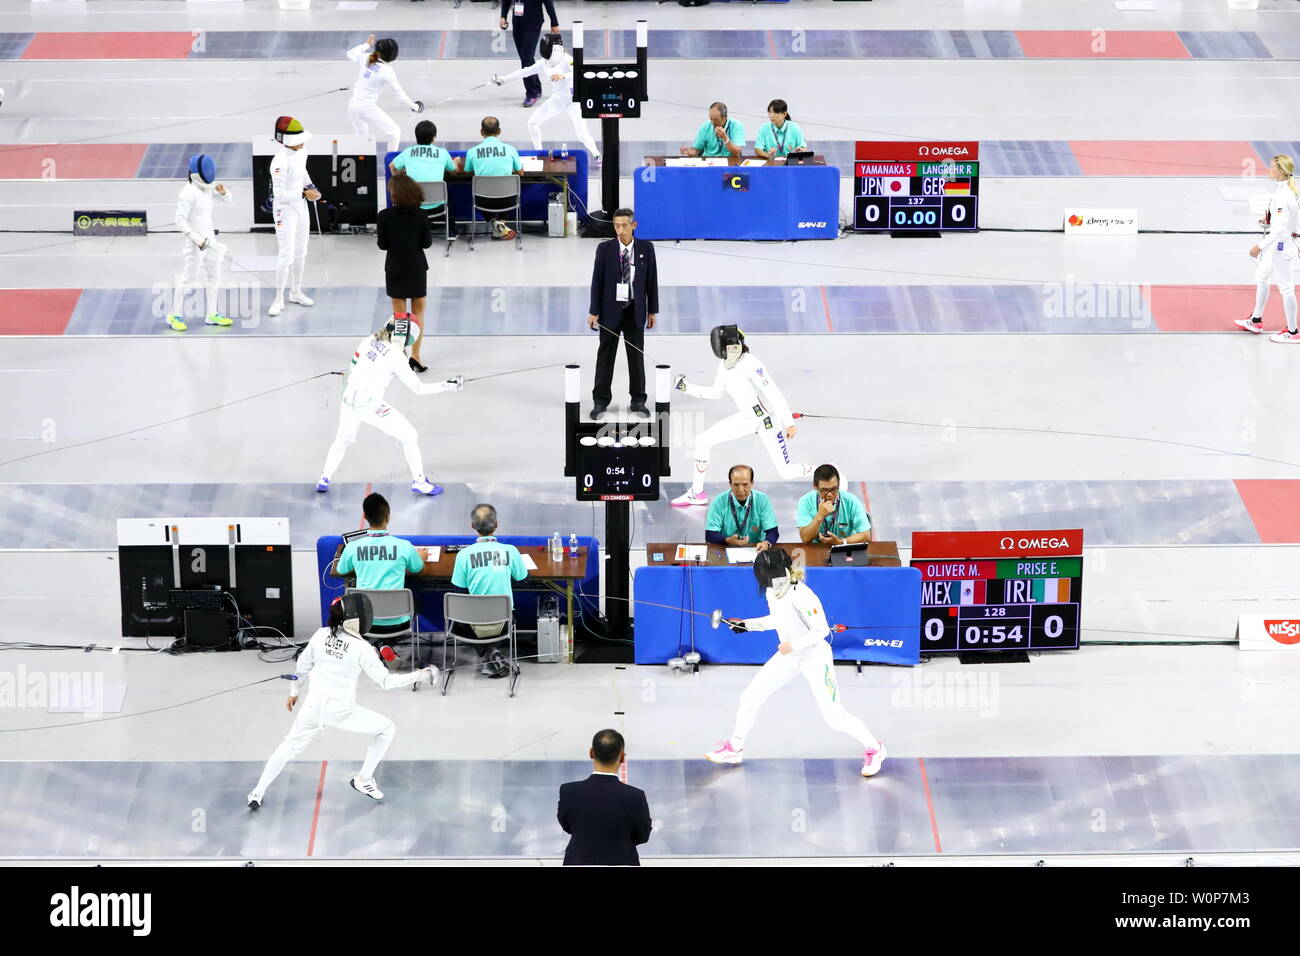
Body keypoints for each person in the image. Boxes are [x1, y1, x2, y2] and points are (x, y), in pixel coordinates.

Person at [706, 549, 886, 777]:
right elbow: (778, 619)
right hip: (789, 656)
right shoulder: (773, 591)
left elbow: (820, 630)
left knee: (834, 717)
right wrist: (747, 625)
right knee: (750, 698)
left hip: (814, 656)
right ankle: (735, 748)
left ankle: (875, 749)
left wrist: (792, 645)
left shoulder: (803, 595)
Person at [247, 593, 435, 809]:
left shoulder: (320, 635)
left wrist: (294, 692)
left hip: (312, 708)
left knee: (286, 748)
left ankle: (257, 793)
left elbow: (302, 666)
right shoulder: (362, 648)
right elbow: (386, 681)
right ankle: (363, 780)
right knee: (387, 729)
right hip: (340, 711)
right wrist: (421, 675)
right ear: (356, 619)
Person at [315, 315, 464, 496]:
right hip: (370, 405)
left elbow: (353, 365)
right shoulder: (397, 356)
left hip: (347, 398)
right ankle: (419, 482)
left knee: (343, 439)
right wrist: (446, 385)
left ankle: (324, 478)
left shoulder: (370, 339)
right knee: (410, 436)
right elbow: (418, 388)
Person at [671, 325, 811, 506]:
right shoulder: (725, 365)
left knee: (786, 471)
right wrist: (686, 387)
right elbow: (715, 393)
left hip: (766, 422)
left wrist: (788, 423)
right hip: (745, 419)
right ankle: (697, 493)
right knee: (702, 441)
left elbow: (773, 392)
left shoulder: (752, 364)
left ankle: (830, 473)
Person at [587, 208, 658, 420]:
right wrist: (594, 311)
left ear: (634, 225)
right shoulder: (605, 249)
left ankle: (638, 400)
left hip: (634, 311)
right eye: (617, 226)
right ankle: (600, 401)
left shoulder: (646, 248)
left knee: (636, 357)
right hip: (610, 311)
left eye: (624, 225)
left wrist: (652, 309)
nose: (620, 230)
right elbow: (596, 281)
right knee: (605, 356)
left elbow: (651, 281)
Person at [335, 492, 429, 652]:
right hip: (398, 620)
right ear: (388, 516)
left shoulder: (352, 548)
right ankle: (384, 645)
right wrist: (422, 557)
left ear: (364, 517)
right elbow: (417, 568)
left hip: (365, 621)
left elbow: (341, 569)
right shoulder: (404, 546)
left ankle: (377, 645)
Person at [491, 33, 600, 162]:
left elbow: (581, 72)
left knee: (582, 135)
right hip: (557, 100)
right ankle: (539, 153)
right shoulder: (544, 63)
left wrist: (563, 76)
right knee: (532, 122)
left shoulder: (566, 58)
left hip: (574, 101)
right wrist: (504, 79)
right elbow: (524, 72)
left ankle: (597, 154)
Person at [449, 504, 528, 678]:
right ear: (496, 525)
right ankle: (492, 651)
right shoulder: (510, 551)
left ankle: (489, 651)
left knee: (455, 617)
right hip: (504, 621)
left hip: (472, 624)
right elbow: (522, 579)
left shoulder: (463, 556)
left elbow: (459, 591)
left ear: (473, 526)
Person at [557, 729, 653, 866]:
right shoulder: (635, 796)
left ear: (591, 753)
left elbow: (567, 826)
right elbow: (643, 836)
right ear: (622, 757)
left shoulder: (568, 791)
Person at [1235, 153, 1300, 344]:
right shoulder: (1286, 191)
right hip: (1283, 243)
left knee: (1286, 288)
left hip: (1283, 246)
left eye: (1272, 167)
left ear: (1281, 172)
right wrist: (1268, 222)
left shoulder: (1283, 195)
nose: (1268, 169)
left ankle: (1293, 331)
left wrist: (1260, 245)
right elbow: (1285, 222)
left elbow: (1280, 230)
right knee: (1262, 275)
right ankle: (1256, 320)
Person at [165, 154, 234, 332]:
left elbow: (228, 200)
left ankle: (212, 314)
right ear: (197, 174)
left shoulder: (207, 187)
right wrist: (194, 237)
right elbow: (179, 220)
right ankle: (174, 316)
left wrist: (224, 192)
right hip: (195, 243)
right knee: (188, 280)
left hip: (210, 240)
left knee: (214, 276)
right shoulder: (187, 193)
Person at [377, 172, 433, 372]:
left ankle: (400, 355)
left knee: (399, 317)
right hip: (417, 268)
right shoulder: (421, 215)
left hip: (395, 268)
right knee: (418, 314)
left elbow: (382, 245)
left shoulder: (384, 216)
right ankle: (416, 356)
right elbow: (427, 243)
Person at [267, 116, 319, 317]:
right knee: (286, 254)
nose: (303, 143)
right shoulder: (279, 162)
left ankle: (295, 291)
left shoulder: (302, 151)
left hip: (300, 206)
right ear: (288, 141)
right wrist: (304, 194)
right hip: (284, 210)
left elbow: (303, 172)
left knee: (301, 251)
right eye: (299, 140)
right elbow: (279, 195)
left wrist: (311, 187)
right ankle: (278, 297)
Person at [390, 119, 462, 255]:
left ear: (416, 137)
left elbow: (392, 167)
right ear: (434, 137)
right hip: (438, 205)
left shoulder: (408, 152)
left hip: (413, 205)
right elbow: (454, 171)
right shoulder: (442, 152)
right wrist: (455, 162)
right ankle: (451, 230)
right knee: (448, 193)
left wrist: (401, 177)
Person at [346, 34, 423, 159]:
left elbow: (351, 54)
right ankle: (390, 166)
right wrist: (415, 106)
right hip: (365, 107)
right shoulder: (386, 70)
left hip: (353, 106)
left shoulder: (369, 58)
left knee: (363, 142)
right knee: (394, 132)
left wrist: (367, 44)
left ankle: (362, 171)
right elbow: (399, 94)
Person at [464, 116, 525, 240]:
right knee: (504, 191)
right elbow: (521, 172)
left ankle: (494, 223)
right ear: (499, 131)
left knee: (485, 194)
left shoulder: (472, 152)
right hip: (507, 200)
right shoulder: (510, 149)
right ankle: (501, 224)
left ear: (482, 132)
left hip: (483, 201)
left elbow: (467, 171)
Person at [499, 0, 561, 108]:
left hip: (533, 22)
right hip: (517, 21)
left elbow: (548, 2)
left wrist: (554, 22)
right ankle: (536, 87)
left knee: (526, 58)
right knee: (526, 58)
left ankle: (531, 93)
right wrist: (503, 16)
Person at [705, 465, 779, 550]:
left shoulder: (762, 500)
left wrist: (766, 543)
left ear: (752, 483)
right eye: (736, 485)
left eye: (745, 485)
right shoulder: (719, 501)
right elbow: (710, 535)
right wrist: (727, 540)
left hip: (756, 550)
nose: (740, 490)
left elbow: (773, 532)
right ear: (730, 484)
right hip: (726, 548)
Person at [796, 464, 872, 545]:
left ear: (839, 484)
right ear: (815, 486)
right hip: (816, 551)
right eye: (824, 490)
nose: (829, 494)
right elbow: (805, 538)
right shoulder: (805, 502)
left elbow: (866, 535)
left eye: (834, 489)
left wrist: (842, 542)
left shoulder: (851, 501)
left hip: (844, 550)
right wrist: (819, 516)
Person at [680, 102, 745, 159]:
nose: (713, 122)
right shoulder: (704, 127)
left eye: (716, 119)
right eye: (711, 118)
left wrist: (725, 138)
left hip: (729, 161)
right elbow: (697, 150)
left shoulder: (737, 126)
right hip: (709, 161)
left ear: (725, 117)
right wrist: (688, 151)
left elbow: (737, 152)